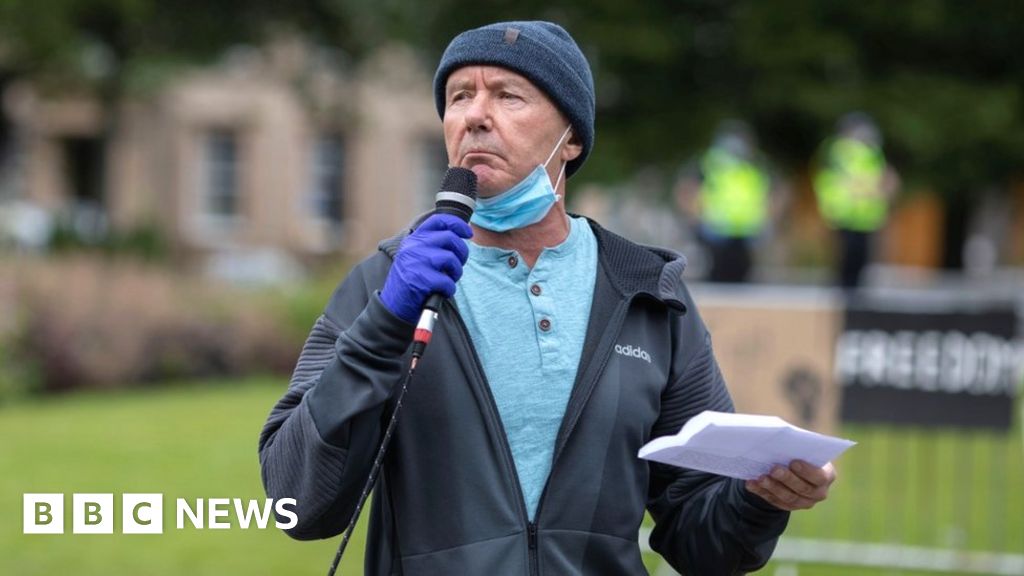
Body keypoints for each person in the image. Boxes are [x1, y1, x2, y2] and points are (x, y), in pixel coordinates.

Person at [259, 21, 836, 575]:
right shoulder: (382, 284)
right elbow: (297, 501)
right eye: (459, 97)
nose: (475, 117)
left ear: (572, 138)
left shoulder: (646, 292)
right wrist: (387, 320)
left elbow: (703, 542)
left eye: (509, 96)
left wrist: (761, 498)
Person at [675, 121, 777, 283]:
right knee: (717, 275)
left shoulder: (755, 164)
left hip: (746, 229)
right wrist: (694, 217)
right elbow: (687, 189)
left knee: (743, 274)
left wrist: (767, 220)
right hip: (716, 229)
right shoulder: (708, 163)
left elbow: (769, 193)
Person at [813, 112, 899, 289]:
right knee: (847, 257)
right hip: (845, 212)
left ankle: (854, 292)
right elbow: (843, 181)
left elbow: (882, 179)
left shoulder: (873, 153)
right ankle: (843, 291)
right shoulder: (838, 150)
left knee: (862, 257)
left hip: (866, 215)